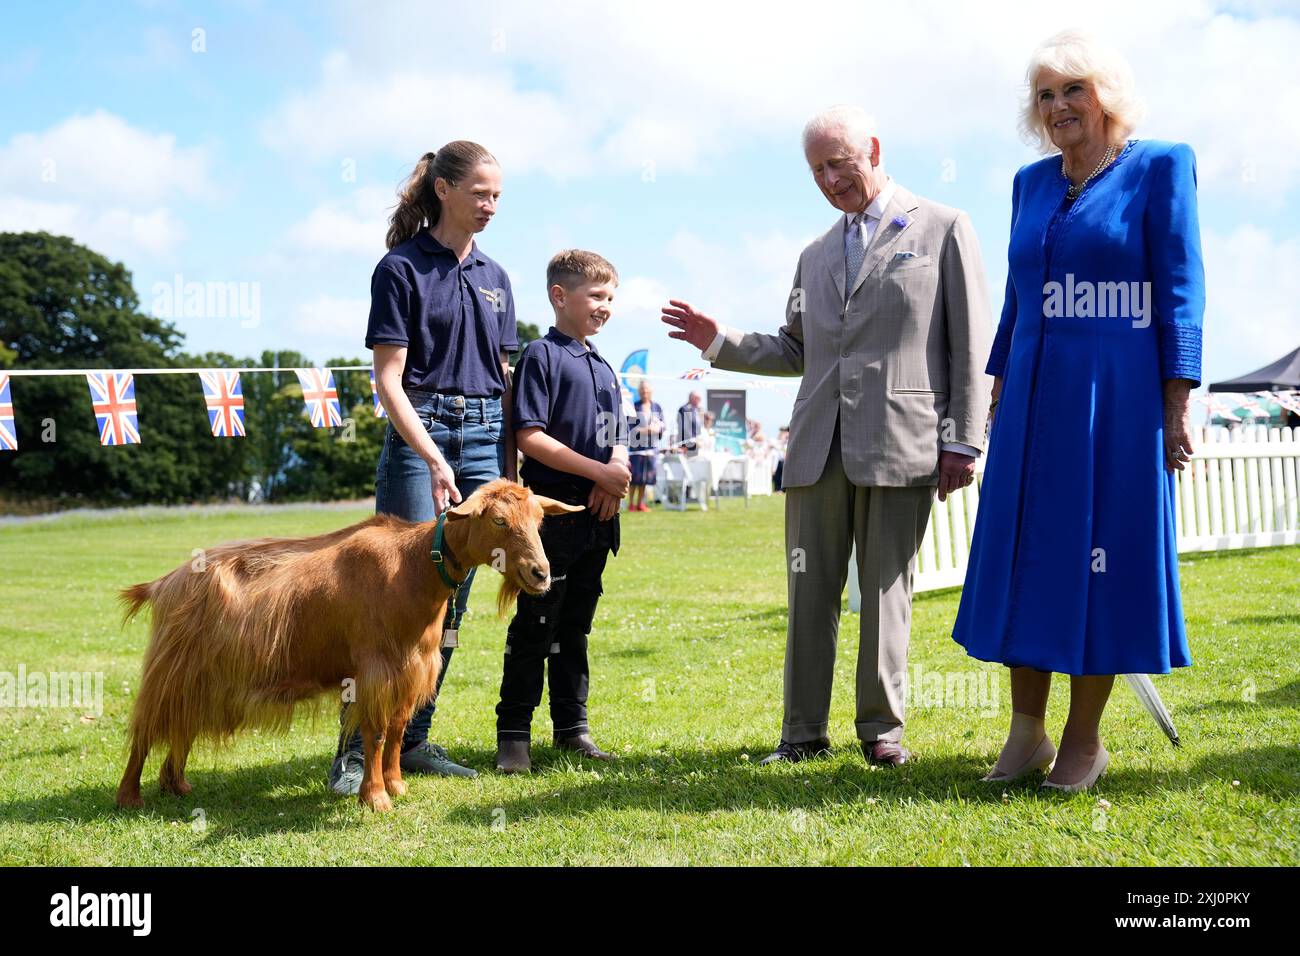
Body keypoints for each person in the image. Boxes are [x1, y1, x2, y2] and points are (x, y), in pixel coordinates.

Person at [663, 105, 991, 767]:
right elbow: (795, 348)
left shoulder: (945, 227)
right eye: (816, 170)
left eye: (838, 163)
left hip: (903, 443)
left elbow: (970, 345)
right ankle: (802, 734)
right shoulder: (813, 254)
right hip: (816, 448)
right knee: (809, 591)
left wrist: (963, 441)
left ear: (872, 148)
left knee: (883, 591)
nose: (829, 179)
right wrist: (719, 342)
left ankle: (881, 732)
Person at [952, 30, 1203, 792]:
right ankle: (1025, 733)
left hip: (1117, 403)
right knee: (1028, 554)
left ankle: (1083, 740)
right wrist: (995, 390)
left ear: (1108, 95)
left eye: (1074, 89)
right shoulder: (1030, 182)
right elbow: (1016, 302)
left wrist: (1177, 403)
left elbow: (1182, 290)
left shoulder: (1161, 165)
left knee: (1101, 558)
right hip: (1030, 400)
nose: (1059, 105)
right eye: (1045, 94)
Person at [328, 141, 518, 793]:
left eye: (497, 195)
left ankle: (411, 741)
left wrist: (509, 474)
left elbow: (505, 379)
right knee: (391, 602)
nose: (491, 205)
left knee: (453, 603)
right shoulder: (400, 269)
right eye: (480, 193)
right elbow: (388, 380)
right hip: (422, 434)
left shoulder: (497, 279)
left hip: (486, 436)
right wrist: (433, 454)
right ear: (443, 190)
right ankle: (355, 754)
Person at [494, 250, 630, 773]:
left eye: (611, 298)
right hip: (553, 525)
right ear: (559, 295)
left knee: (575, 629)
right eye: (596, 296)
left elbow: (618, 437)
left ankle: (572, 729)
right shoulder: (540, 356)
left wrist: (613, 477)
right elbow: (530, 435)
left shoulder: (603, 366)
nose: (605, 307)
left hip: (599, 522)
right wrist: (597, 474)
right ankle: (513, 736)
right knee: (536, 626)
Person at [628, 381, 665, 511]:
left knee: (645, 478)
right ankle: (631, 503)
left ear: (651, 391)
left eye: (647, 389)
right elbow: (631, 428)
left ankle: (640, 503)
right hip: (637, 449)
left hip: (651, 448)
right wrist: (647, 430)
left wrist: (657, 430)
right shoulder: (634, 406)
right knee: (635, 476)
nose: (645, 391)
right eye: (642, 389)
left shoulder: (657, 407)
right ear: (639, 391)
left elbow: (661, 426)